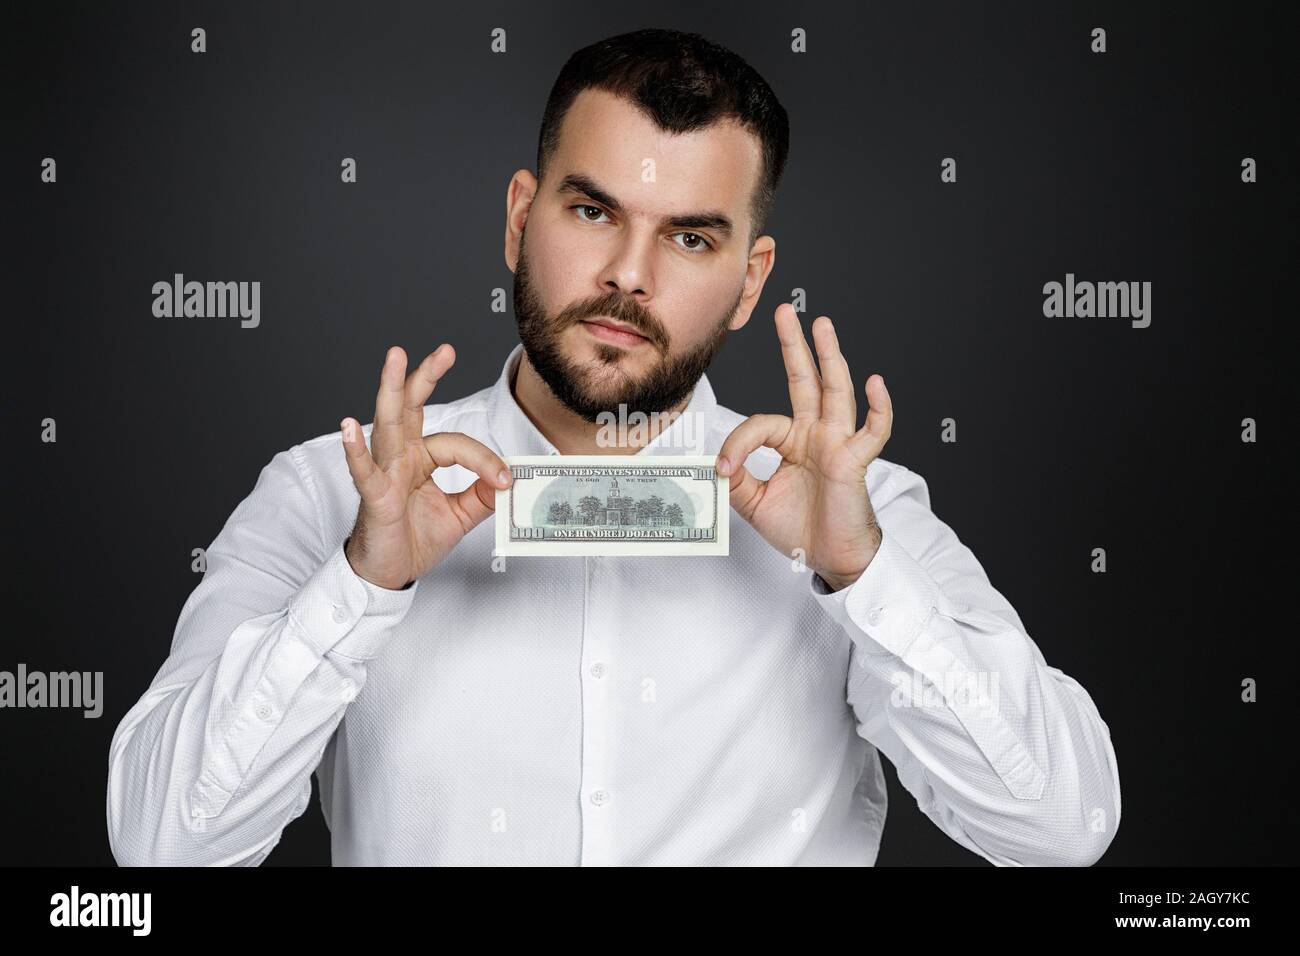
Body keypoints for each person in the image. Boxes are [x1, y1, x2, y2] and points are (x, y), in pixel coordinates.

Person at [107, 28, 1120, 866]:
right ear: (519, 218)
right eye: (592, 210)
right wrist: (361, 584)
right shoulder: (328, 495)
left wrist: (861, 576)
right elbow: (160, 848)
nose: (628, 275)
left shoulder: (859, 512)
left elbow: (1059, 829)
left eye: (690, 237)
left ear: (750, 279)